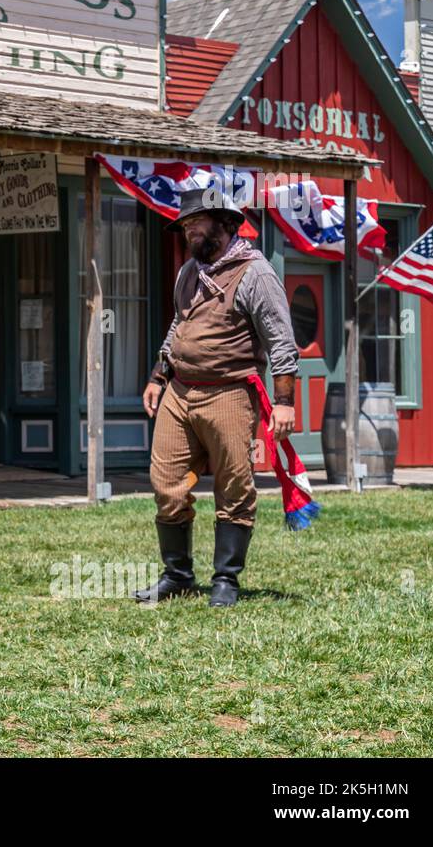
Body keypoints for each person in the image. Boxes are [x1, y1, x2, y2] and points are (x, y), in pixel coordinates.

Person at [138, 187, 300, 608]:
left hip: (229, 392)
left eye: (198, 220)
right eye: (186, 223)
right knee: (166, 483)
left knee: (233, 485)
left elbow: (282, 341)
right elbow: (179, 324)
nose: (189, 228)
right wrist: (159, 374)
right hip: (179, 390)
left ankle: (226, 580)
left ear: (227, 224)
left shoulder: (256, 273)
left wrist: (284, 401)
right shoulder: (188, 272)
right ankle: (178, 575)